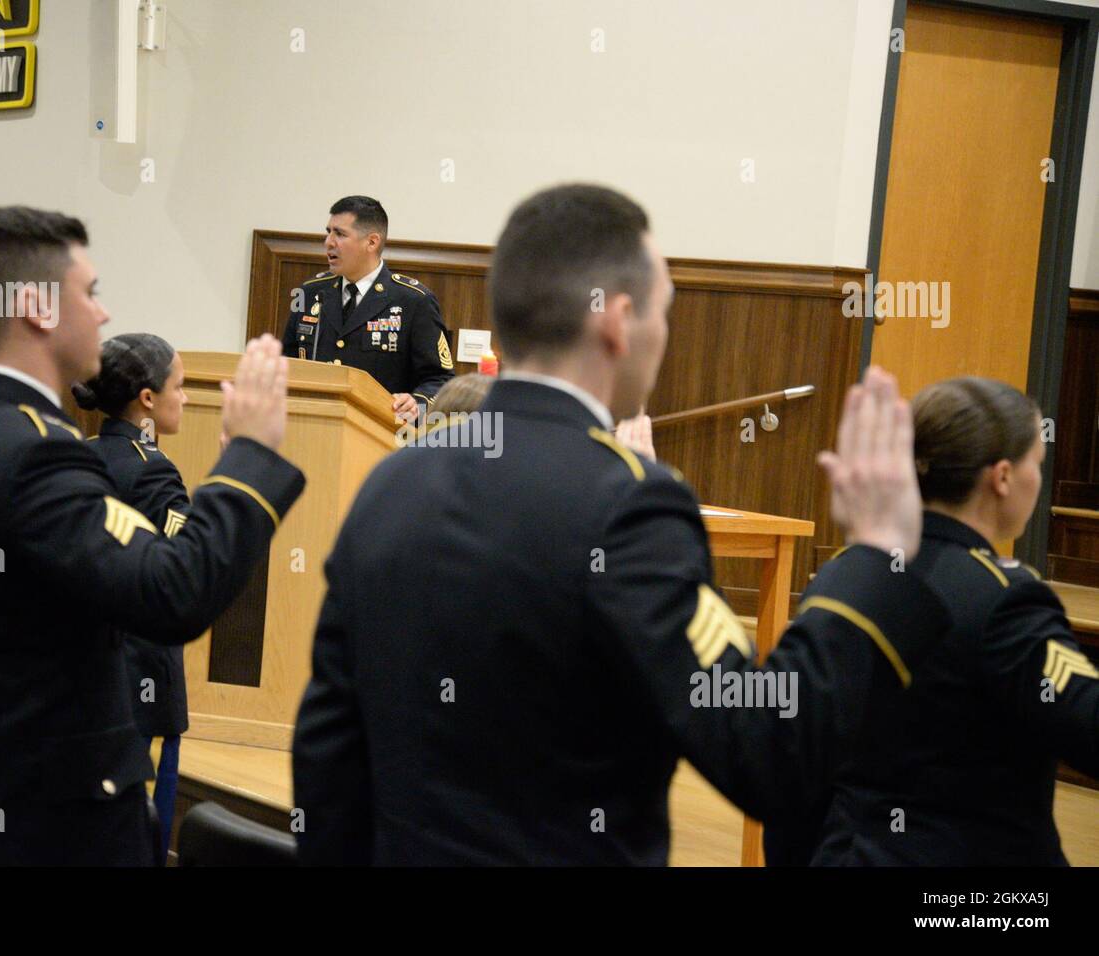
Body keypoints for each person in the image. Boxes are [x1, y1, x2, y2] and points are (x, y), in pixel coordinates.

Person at [291, 183, 951, 865]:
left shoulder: (390, 483)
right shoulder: (632, 506)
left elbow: (326, 755)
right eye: (665, 313)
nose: (664, 337)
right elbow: (768, 747)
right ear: (619, 320)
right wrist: (875, 555)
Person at [0, 207, 304, 866]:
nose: (101, 313)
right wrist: (250, 459)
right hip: (32, 831)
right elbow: (176, 590)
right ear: (38, 309)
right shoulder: (33, 453)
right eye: (89, 293)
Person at [767, 377, 1098, 866]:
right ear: (1003, 477)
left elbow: (796, 766)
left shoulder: (846, 575)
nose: (1039, 480)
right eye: (1038, 463)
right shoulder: (1003, 601)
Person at [73, 333, 191, 853]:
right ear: (147, 399)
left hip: (82, 662)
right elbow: (179, 569)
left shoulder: (77, 454)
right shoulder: (153, 469)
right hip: (139, 663)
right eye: (180, 387)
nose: (185, 398)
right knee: (139, 822)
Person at [281, 196, 454, 423]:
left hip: (380, 436)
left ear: (372, 242)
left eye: (340, 234)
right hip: (313, 429)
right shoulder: (310, 293)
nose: (328, 242)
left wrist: (417, 403)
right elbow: (286, 365)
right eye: (328, 232)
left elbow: (441, 380)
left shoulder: (413, 301)